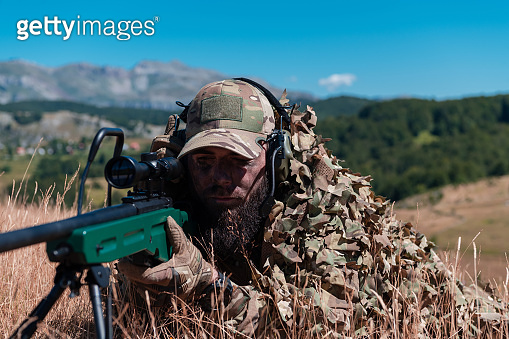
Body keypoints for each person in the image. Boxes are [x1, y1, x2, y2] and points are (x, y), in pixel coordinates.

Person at [118, 79, 505, 337]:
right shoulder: (184, 195)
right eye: (203, 161)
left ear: (275, 158)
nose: (219, 177)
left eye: (237, 160)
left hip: (463, 317)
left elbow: (315, 327)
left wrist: (208, 285)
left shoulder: (323, 208)